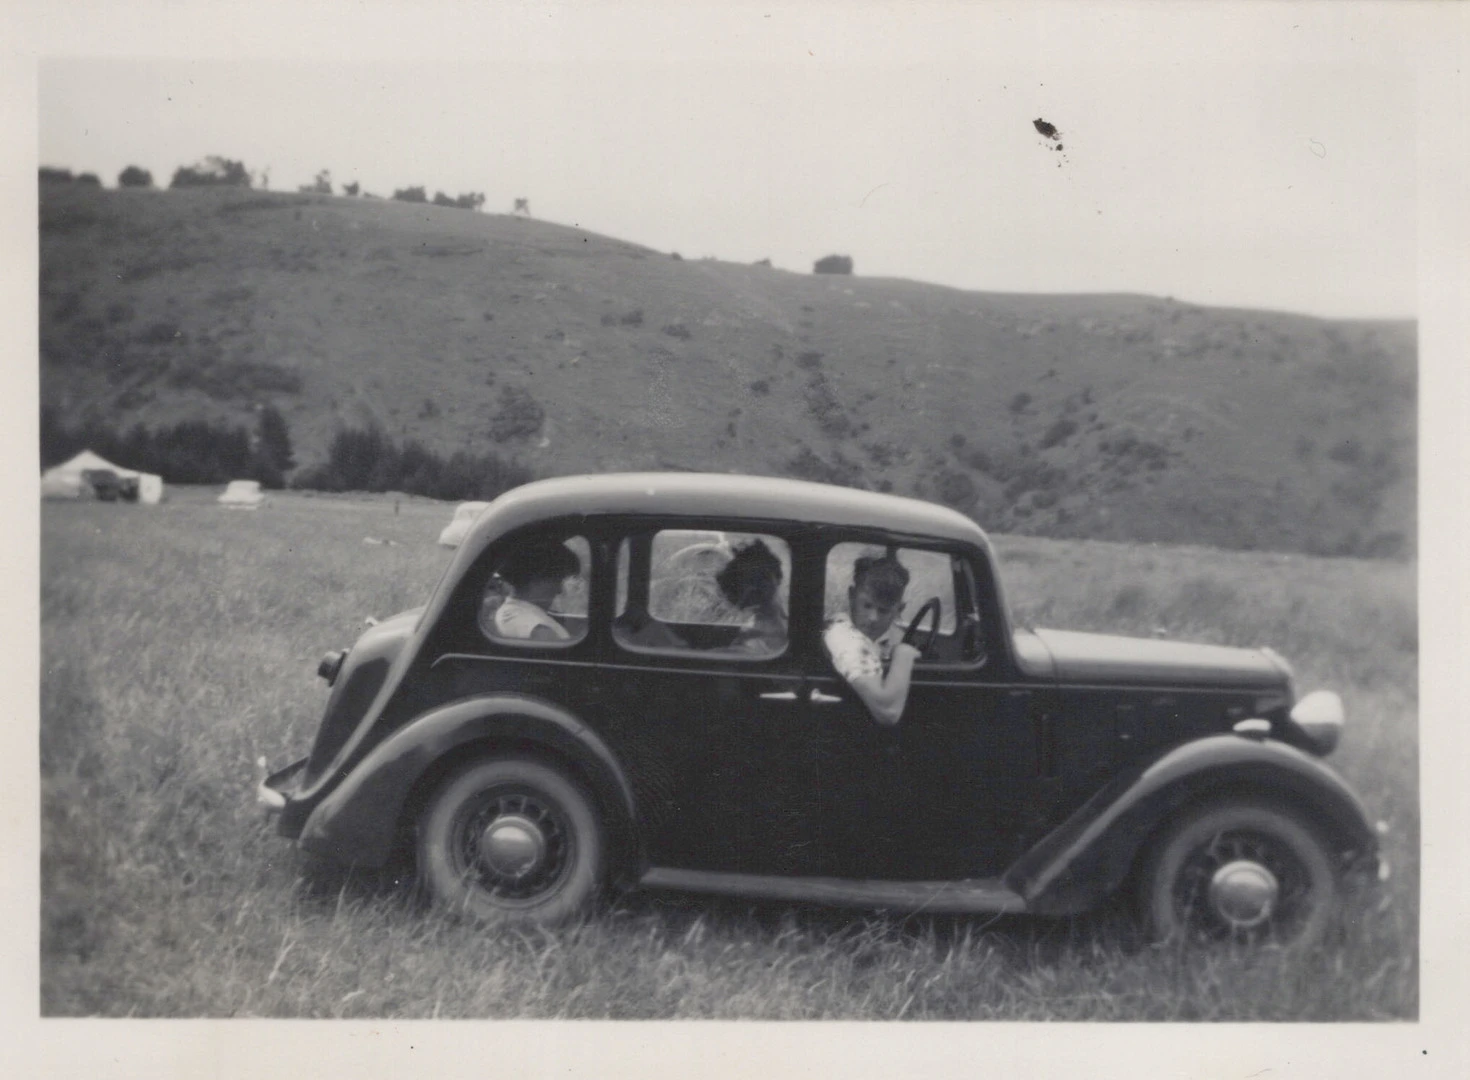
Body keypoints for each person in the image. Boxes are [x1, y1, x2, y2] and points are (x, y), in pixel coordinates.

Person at [823, 553, 920, 726]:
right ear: (851, 595)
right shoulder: (844, 637)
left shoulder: (886, 634)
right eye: (867, 605)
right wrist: (904, 654)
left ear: (900, 609)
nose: (873, 618)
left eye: (884, 611)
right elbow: (888, 711)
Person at [487, 539, 581, 642]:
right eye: (556, 581)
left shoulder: (523, 612)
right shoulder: (533, 627)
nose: (559, 590)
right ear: (536, 579)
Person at [714, 539, 787, 654]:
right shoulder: (741, 646)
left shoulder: (797, 622)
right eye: (748, 580)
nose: (756, 586)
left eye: (762, 576)